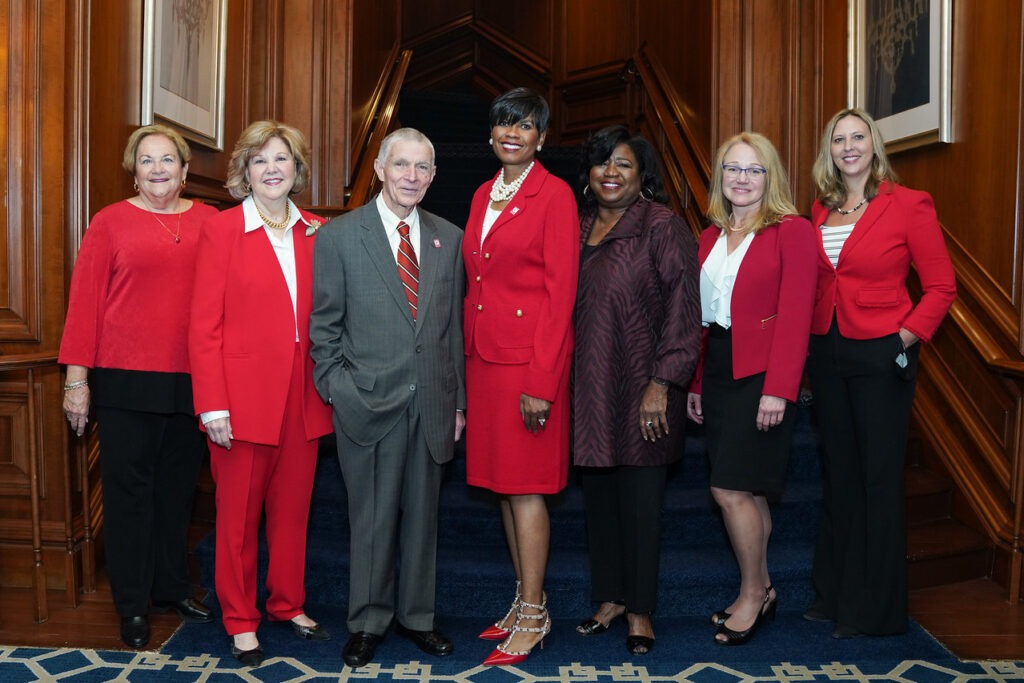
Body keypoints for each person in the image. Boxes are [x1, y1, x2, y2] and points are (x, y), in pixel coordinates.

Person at [309, 127, 466, 669]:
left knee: (423, 519)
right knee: (372, 521)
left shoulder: (450, 238)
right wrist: (338, 390)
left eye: (422, 167)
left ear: (433, 175)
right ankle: (368, 621)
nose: (411, 177)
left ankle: (417, 617)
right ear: (379, 169)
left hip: (433, 404)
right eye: (401, 165)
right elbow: (324, 329)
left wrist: (459, 403)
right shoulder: (338, 236)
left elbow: (453, 331)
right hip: (367, 404)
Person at [59, 124, 217, 649]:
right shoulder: (110, 222)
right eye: (146, 160)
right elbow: (84, 303)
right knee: (129, 497)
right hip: (124, 381)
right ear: (134, 171)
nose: (157, 169)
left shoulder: (210, 222)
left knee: (177, 493)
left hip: (192, 379)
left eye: (167, 159)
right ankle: (132, 605)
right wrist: (76, 381)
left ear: (185, 169)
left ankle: (172, 589)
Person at [803, 108, 955, 639]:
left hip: (881, 355)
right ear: (829, 151)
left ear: (874, 145)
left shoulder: (909, 203)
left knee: (877, 477)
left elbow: (941, 287)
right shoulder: (820, 209)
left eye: (857, 137)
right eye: (838, 139)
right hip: (827, 351)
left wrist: (902, 340)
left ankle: (876, 610)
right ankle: (835, 595)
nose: (848, 146)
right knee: (840, 473)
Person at [188, 120, 334, 667]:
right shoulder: (222, 229)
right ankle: (240, 619)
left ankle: (287, 603)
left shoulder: (319, 231)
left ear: (297, 169)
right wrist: (212, 403)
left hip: (305, 395)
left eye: (282, 158)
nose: (272, 169)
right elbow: (204, 325)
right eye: (260, 160)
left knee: (293, 512)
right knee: (238, 518)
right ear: (244, 172)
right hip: (241, 399)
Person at [572, 125, 701, 656]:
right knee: (599, 500)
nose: (611, 172)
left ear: (642, 174)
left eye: (623, 163)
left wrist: (662, 383)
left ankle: (641, 609)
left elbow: (684, 312)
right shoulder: (577, 226)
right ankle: (610, 598)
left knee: (642, 504)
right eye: (602, 162)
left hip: (644, 388)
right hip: (588, 389)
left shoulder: (661, 225)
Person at [686, 132, 818, 646]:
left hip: (763, 373)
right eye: (733, 168)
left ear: (770, 178)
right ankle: (763, 588)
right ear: (720, 176)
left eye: (754, 169)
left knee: (729, 488)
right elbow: (703, 321)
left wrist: (780, 388)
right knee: (750, 488)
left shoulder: (792, 231)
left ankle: (751, 593)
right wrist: (697, 382)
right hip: (720, 368)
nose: (742, 178)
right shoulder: (709, 236)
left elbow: (796, 314)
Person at [463, 87, 579, 666]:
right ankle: (522, 599)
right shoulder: (483, 193)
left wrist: (541, 381)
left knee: (527, 488)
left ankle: (535, 614)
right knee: (505, 487)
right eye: (504, 122)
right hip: (485, 362)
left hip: (527, 366)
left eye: (526, 124)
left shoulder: (554, 195)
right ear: (491, 133)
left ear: (541, 137)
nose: (513, 132)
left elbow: (561, 296)